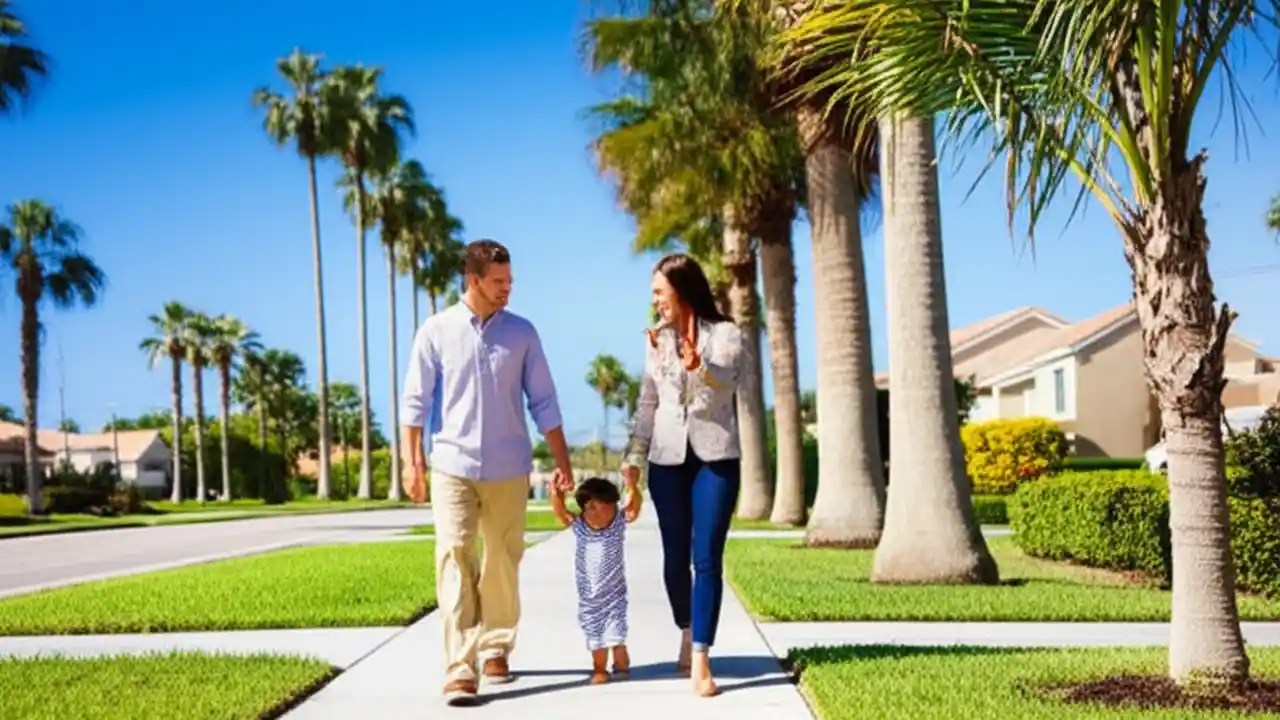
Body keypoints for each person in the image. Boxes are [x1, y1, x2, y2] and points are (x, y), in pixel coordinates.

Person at [401, 238, 576, 707]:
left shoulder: (522, 333)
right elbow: (415, 402)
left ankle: (496, 644)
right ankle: (460, 666)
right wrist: (411, 461)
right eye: (499, 282)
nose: (507, 289)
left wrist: (562, 462)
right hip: (451, 465)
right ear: (473, 280)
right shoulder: (436, 331)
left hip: (508, 467)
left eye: (510, 281)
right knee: (455, 556)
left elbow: (544, 400)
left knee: (502, 560)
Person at [620, 252, 745, 698]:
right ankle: (685, 628)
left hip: (715, 457)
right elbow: (647, 403)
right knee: (675, 559)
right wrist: (634, 459)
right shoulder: (654, 339)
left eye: (659, 292)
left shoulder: (726, 333)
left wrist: (701, 367)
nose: (655, 301)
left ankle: (701, 656)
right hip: (666, 459)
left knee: (706, 557)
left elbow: (731, 382)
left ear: (682, 289)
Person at [548, 476, 641, 685]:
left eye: (606, 506)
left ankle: (620, 659)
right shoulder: (580, 526)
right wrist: (556, 495)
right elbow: (561, 513)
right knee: (595, 637)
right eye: (592, 508)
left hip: (614, 595)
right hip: (589, 599)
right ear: (583, 509)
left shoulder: (617, 524)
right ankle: (600, 669)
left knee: (615, 632)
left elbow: (633, 509)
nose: (599, 513)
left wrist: (633, 486)